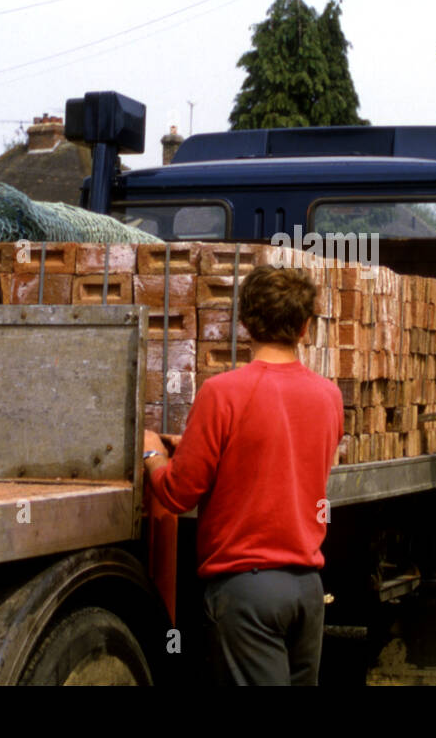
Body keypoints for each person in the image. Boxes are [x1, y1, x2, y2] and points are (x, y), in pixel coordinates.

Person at [143, 264, 343, 686]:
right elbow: (285, 460)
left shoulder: (222, 393)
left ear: (245, 323)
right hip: (307, 588)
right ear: (305, 327)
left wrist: (152, 453)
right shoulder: (329, 397)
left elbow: (179, 495)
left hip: (246, 592)